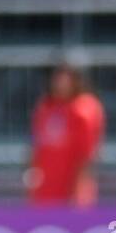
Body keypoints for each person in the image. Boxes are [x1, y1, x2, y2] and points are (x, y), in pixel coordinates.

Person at [26, 61, 104, 206]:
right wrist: (31, 182)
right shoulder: (45, 107)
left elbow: (86, 155)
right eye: (57, 76)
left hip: (72, 192)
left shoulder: (84, 109)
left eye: (66, 77)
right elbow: (36, 146)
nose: (60, 82)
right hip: (45, 191)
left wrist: (78, 191)